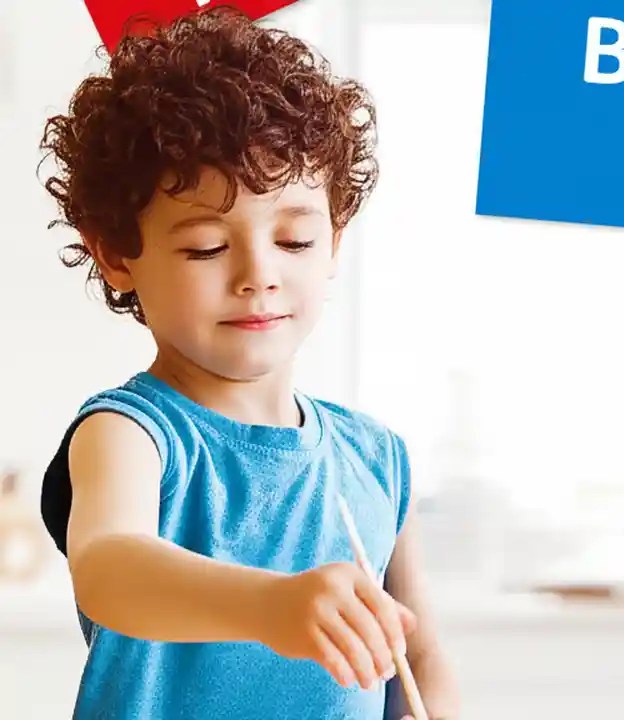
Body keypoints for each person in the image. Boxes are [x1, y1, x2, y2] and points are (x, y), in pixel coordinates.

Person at [35, 7, 460, 719]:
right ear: (116, 254)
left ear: (335, 242)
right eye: (205, 246)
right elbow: (108, 569)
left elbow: (416, 655)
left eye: (294, 241)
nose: (258, 274)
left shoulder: (377, 458)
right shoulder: (131, 434)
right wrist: (271, 607)